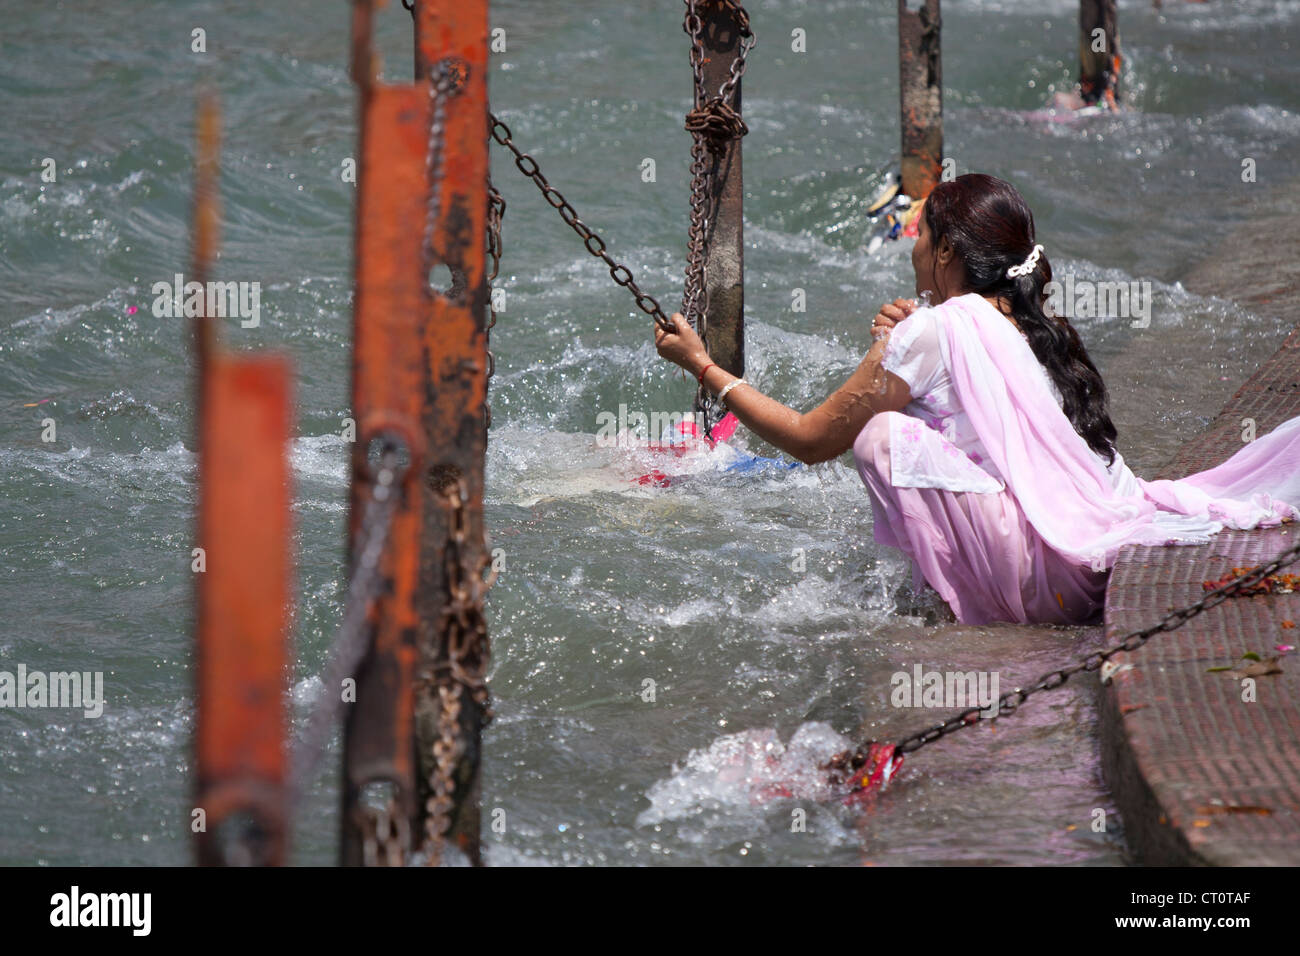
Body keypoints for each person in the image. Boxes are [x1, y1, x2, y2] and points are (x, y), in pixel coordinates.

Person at [655, 173, 1300, 625]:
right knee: (900, 425)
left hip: (1045, 584)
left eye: (919, 231)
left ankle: (961, 610)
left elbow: (808, 439)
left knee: (881, 439)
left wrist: (705, 365)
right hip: (1083, 561)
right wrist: (903, 343)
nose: (910, 243)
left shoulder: (936, 331)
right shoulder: (1030, 325)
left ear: (946, 254)